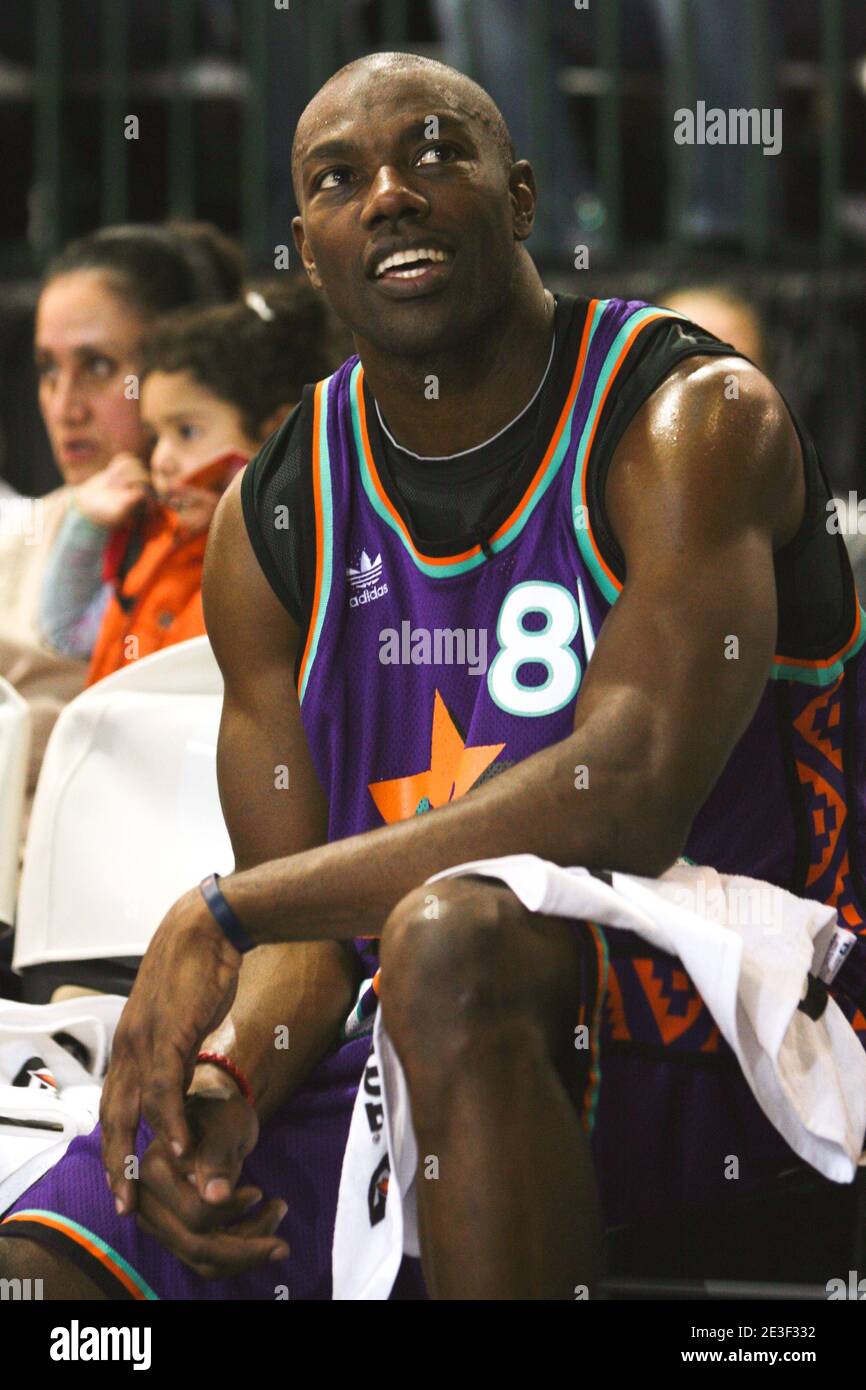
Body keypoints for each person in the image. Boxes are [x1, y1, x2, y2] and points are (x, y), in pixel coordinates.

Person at [2, 52, 865, 1301]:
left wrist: (224, 908)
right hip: (416, 1026)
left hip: (742, 1024)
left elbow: (625, 799)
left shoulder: (683, 415)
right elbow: (308, 941)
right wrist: (227, 1081)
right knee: (46, 1269)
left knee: (448, 938)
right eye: (340, 179)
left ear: (520, 198)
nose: (390, 194)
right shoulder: (279, 512)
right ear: (306, 242)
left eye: (431, 153)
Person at [0, 222, 243, 823]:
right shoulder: (28, 533)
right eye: (48, 369)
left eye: (100, 367)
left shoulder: (248, 540)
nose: (65, 405)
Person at [37, 278, 343, 687]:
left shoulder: (304, 564)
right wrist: (85, 522)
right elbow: (65, 632)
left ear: (276, 435)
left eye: (187, 432)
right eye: (154, 436)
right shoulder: (153, 548)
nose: (161, 460)